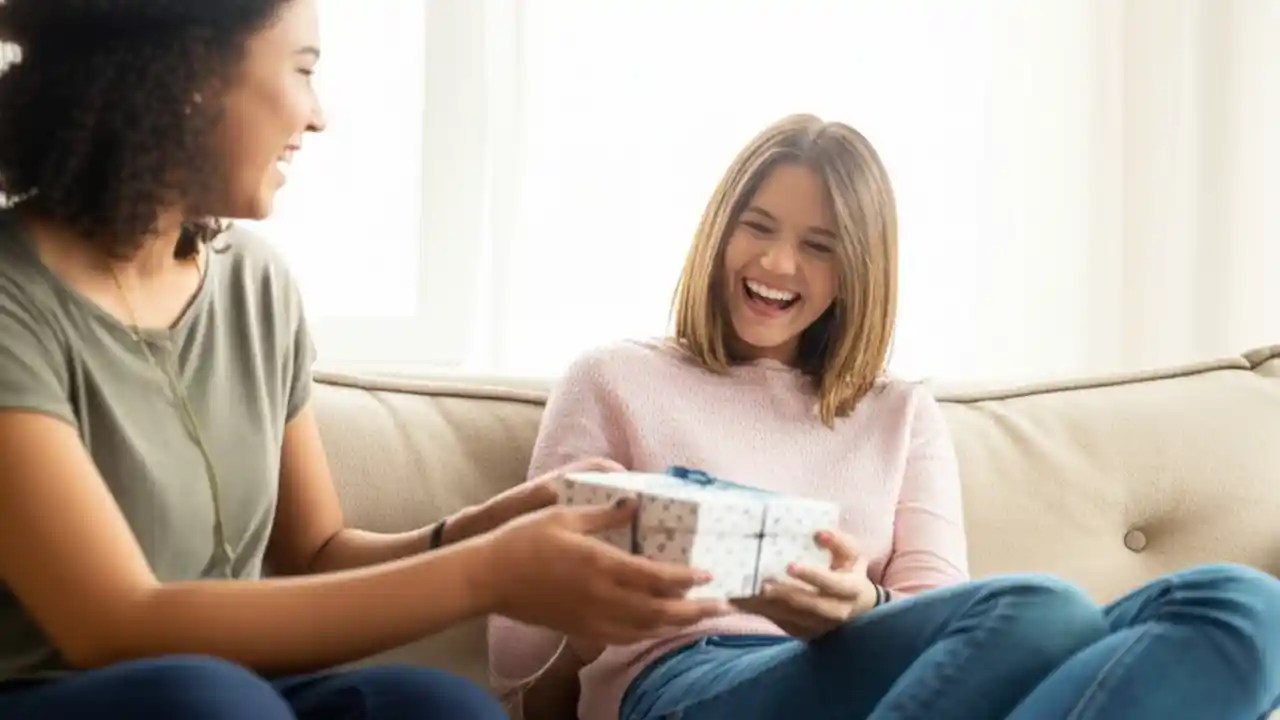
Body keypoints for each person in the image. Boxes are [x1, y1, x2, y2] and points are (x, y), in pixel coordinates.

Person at [0, 2, 732, 718]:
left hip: (242, 691)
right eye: (302, 69)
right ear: (191, 73)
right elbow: (114, 625)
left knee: (438, 705)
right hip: (55, 690)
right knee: (210, 700)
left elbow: (315, 553)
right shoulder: (13, 300)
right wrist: (493, 571)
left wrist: (489, 526)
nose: (318, 116)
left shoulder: (256, 287)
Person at [488, 114, 1280, 720]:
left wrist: (855, 606)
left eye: (820, 245)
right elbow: (512, 652)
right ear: (719, 230)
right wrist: (620, 578)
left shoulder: (901, 412)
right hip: (689, 679)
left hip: (885, 674)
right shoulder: (614, 379)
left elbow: (949, 619)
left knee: (1246, 608)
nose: (776, 265)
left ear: (858, 268)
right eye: (757, 228)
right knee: (1042, 612)